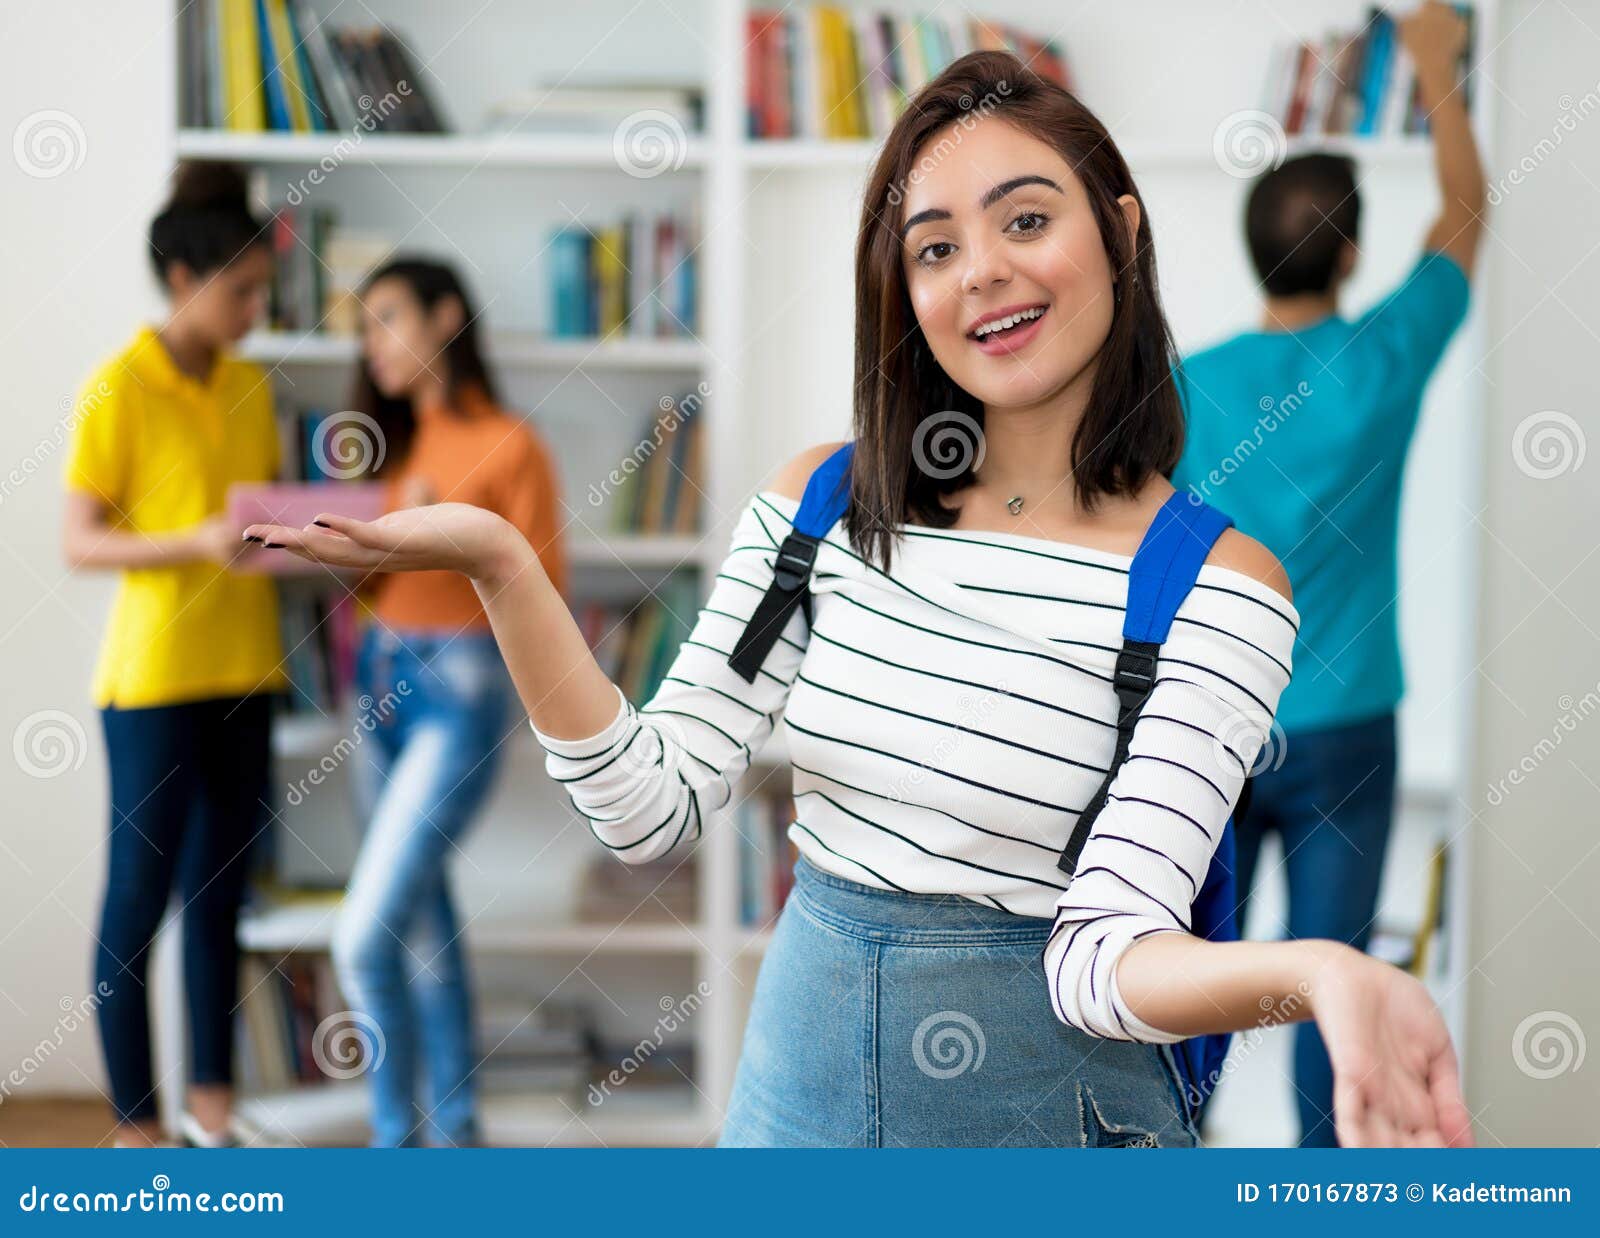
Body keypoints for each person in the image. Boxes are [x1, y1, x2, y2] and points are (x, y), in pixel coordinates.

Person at [243, 51, 1472, 1149]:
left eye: (1025, 219)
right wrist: (502, 564)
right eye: (934, 245)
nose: (980, 271)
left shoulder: (1219, 586)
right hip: (796, 1093)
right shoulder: (822, 507)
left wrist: (1318, 971)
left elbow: (1105, 958)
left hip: (1050, 1119)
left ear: (1120, 233)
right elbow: (648, 808)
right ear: (903, 287)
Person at [1170, 1, 1484, 1146]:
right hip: (1347, 728)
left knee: (1187, 989)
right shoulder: (1382, 360)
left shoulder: (1181, 386)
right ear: (1348, 254)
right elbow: (1463, 214)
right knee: (1333, 990)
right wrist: (1442, 75)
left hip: (1206, 724)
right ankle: (1322, 1189)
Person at [294, 258, 567, 1148]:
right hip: (377, 682)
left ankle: (393, 1147)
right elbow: (371, 596)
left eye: (387, 320)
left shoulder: (512, 444)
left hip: (463, 690)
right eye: (362, 327)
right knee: (419, 923)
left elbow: (542, 595)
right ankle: (454, 1139)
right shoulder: (391, 442)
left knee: (363, 940)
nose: (370, 345)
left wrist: (428, 530)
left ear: (446, 316)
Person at [62, 161, 285, 1149]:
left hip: (248, 669)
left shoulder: (250, 386)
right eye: (241, 289)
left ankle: (214, 1111)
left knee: (219, 902)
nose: (255, 307)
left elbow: (255, 522)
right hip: (151, 682)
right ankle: (136, 1126)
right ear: (185, 278)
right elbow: (79, 541)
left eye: (259, 289)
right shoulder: (119, 385)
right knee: (137, 900)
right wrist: (189, 543)